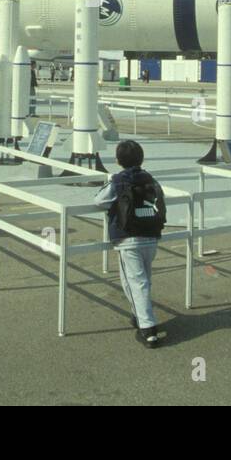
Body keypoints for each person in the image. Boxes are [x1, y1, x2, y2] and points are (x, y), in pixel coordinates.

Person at [93, 139, 166, 349]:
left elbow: (99, 201)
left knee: (135, 281)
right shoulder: (150, 179)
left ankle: (148, 329)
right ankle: (139, 315)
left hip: (128, 238)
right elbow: (160, 198)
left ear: (118, 160)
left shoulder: (118, 180)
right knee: (143, 279)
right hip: (150, 235)